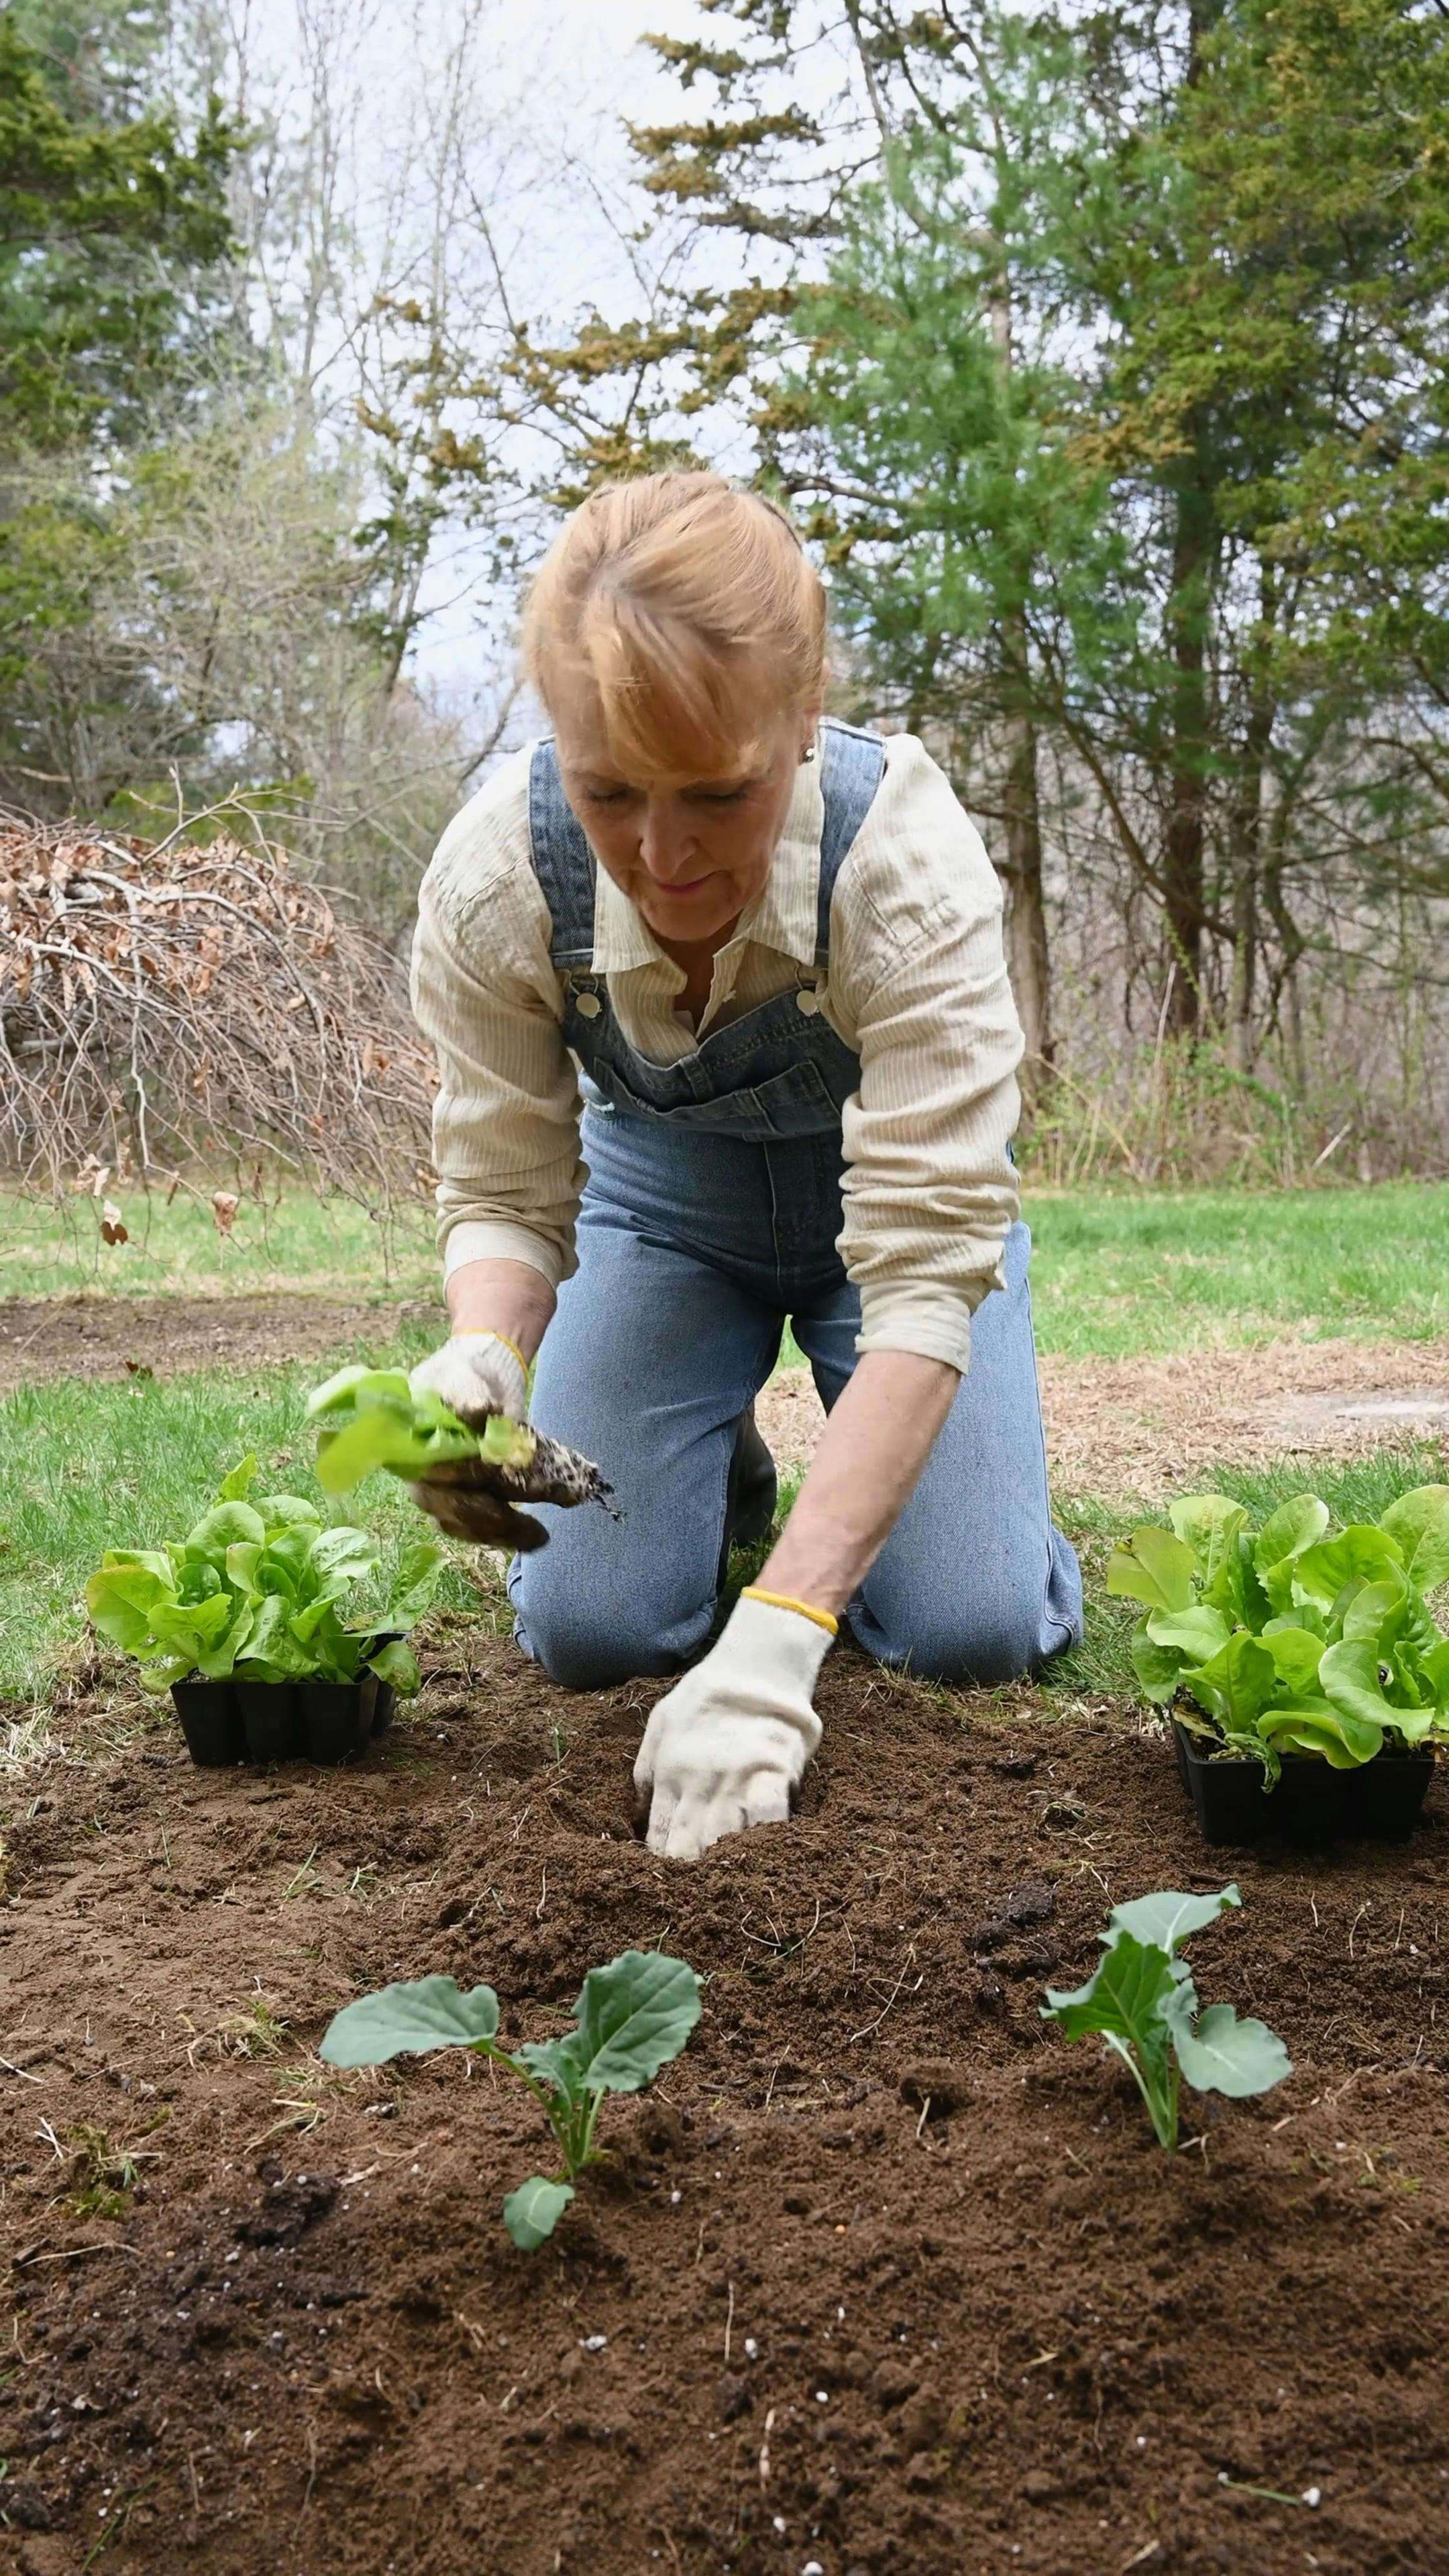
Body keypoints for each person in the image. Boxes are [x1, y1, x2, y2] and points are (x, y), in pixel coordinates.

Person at [407, 471, 1082, 1861]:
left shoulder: (902, 866)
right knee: (593, 1629)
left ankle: (971, 1509)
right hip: (662, 1210)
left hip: (880, 1229)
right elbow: (508, 1184)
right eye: (609, 793)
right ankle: (717, 1464)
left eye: (719, 792)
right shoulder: (497, 880)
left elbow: (922, 1269)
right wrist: (484, 1354)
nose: (664, 856)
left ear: (800, 714)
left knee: (972, 1628)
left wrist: (781, 1636)